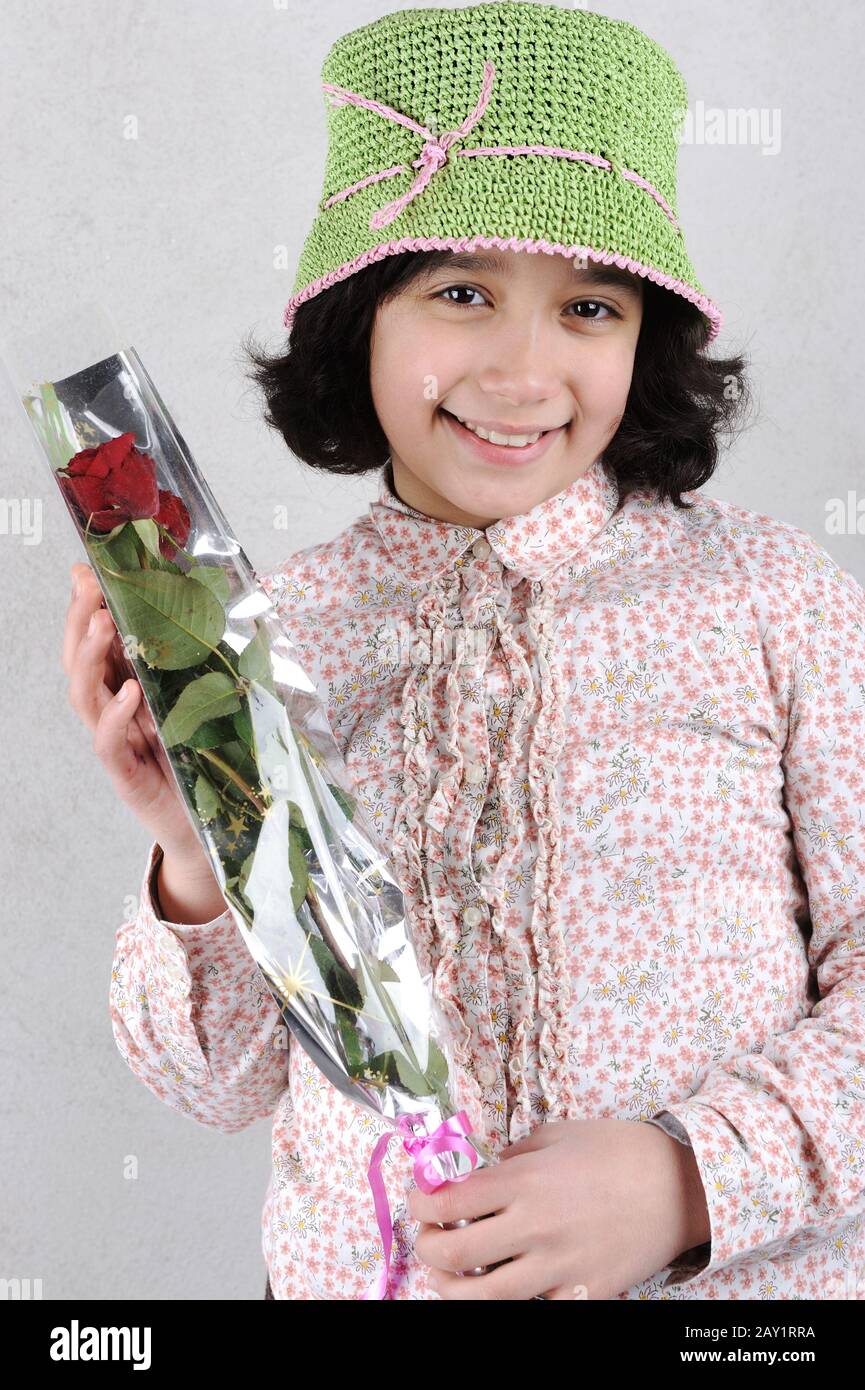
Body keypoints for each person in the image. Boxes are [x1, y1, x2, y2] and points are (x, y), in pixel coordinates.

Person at [63, 2, 865, 1300]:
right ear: (354, 320)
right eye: (458, 291)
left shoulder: (766, 596)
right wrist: (186, 849)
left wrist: (684, 1179)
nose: (520, 368)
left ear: (643, 336)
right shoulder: (278, 635)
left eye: (588, 307)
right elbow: (211, 1083)